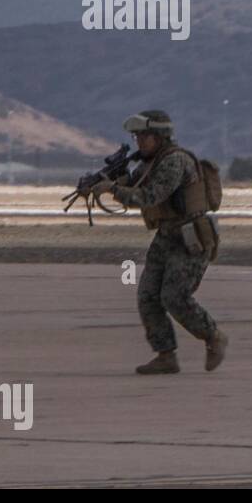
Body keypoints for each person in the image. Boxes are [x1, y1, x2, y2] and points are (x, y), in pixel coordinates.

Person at [90, 110, 228, 374]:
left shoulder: (175, 161)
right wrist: (102, 184)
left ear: (159, 137)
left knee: (174, 296)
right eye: (137, 136)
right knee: (148, 296)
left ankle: (213, 336)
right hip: (166, 236)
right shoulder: (150, 163)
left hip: (191, 238)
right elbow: (133, 184)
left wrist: (112, 190)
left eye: (144, 136)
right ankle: (166, 355)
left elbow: (149, 196)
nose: (139, 141)